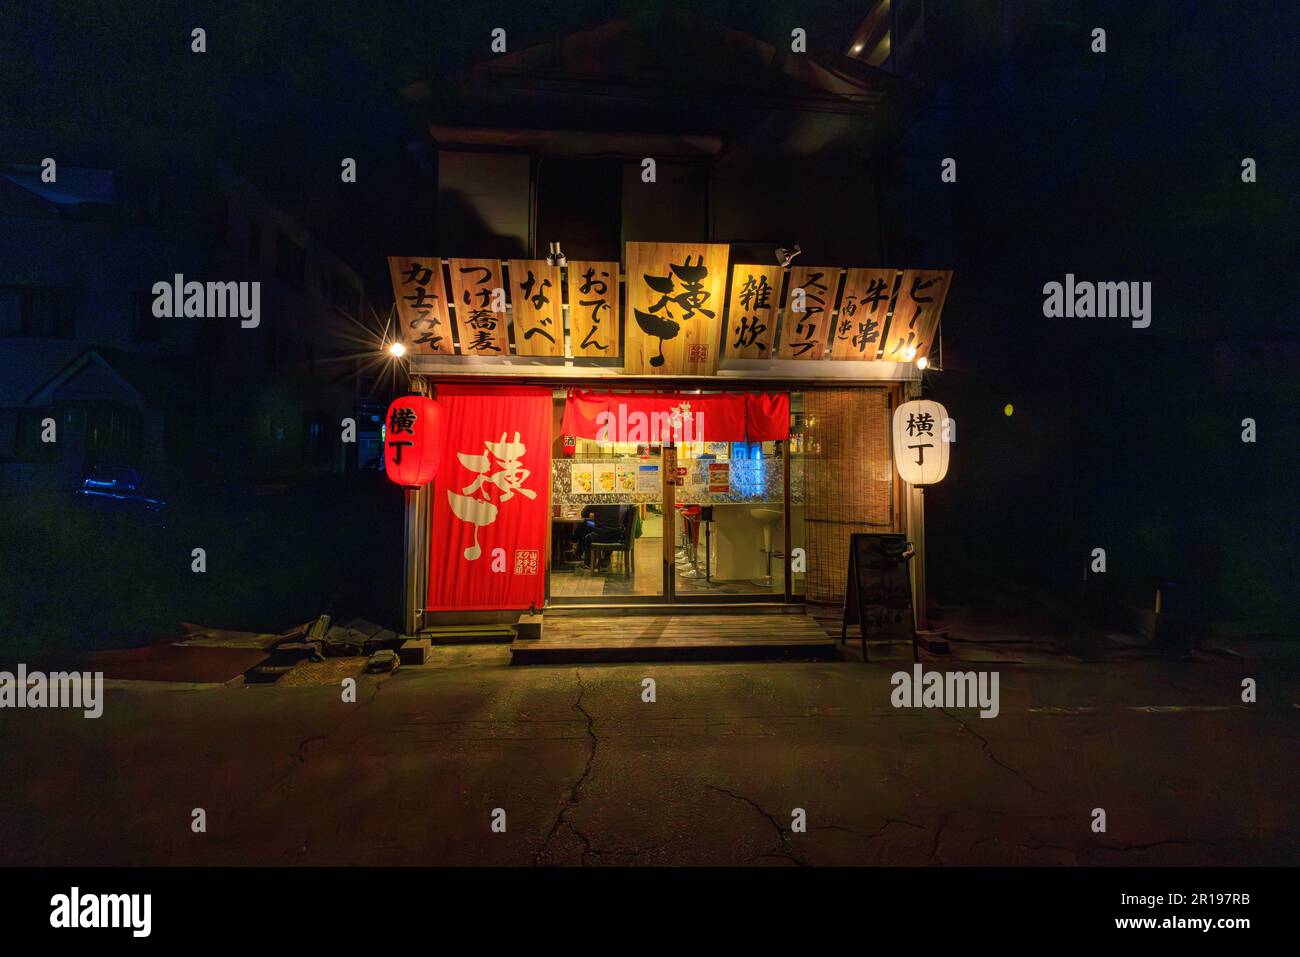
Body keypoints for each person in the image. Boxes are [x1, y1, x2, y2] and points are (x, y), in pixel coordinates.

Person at [575, 503, 625, 568]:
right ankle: (605, 559)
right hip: (617, 536)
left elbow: (584, 514)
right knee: (591, 526)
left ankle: (588, 562)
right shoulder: (620, 503)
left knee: (587, 533)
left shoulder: (598, 502)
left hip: (600, 536)